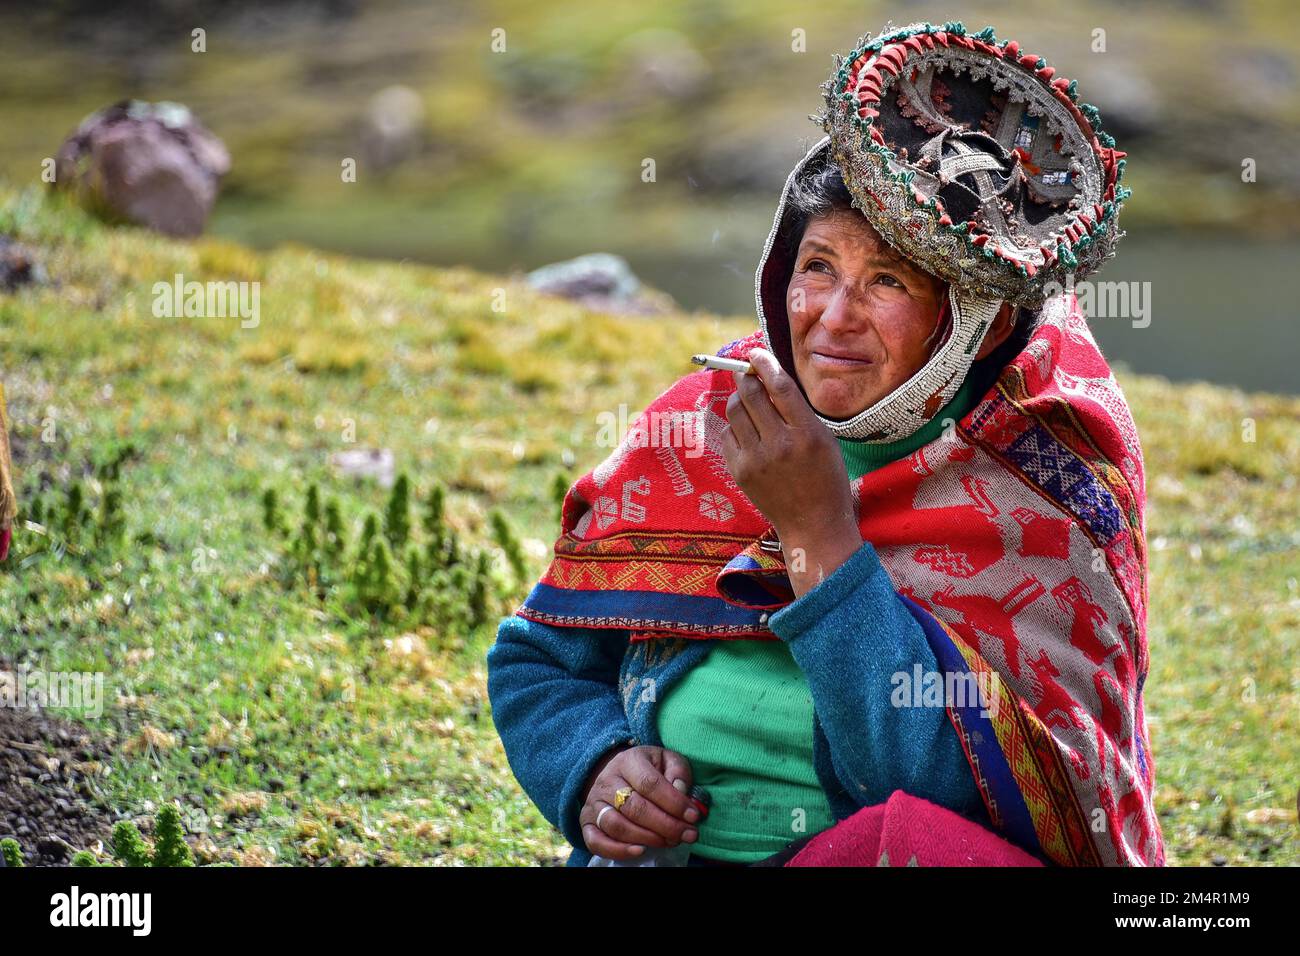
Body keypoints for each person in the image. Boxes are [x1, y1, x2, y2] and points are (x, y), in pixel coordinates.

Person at [487, 20, 1164, 867]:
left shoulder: (1040, 479)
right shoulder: (715, 421)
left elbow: (951, 796)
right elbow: (537, 660)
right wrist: (591, 771)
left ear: (972, 325)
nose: (832, 319)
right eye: (817, 267)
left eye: (888, 281)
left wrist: (816, 538)